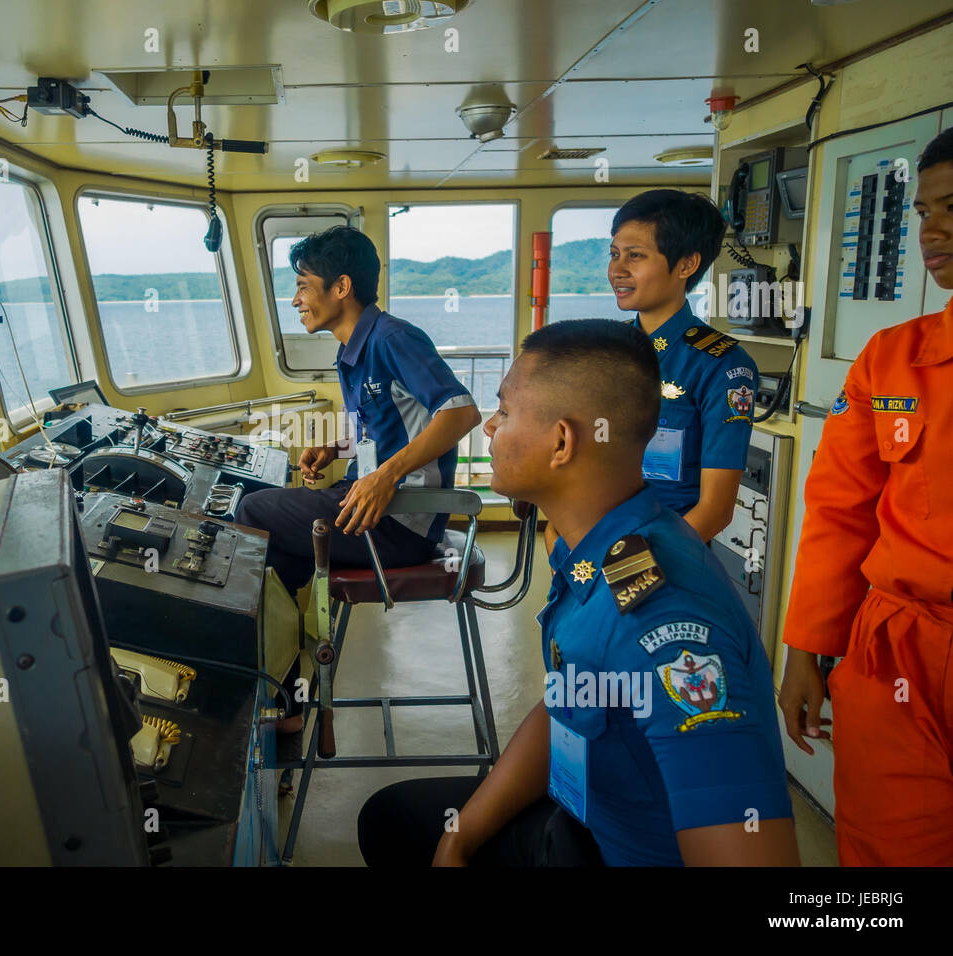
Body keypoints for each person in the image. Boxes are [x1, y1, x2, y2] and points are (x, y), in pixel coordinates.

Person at [358, 319, 798, 867]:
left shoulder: (664, 626)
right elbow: (572, 697)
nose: (491, 428)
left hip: (611, 852)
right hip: (578, 816)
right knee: (393, 819)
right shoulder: (596, 548)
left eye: (506, 412)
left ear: (562, 442)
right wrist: (461, 837)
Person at [779, 128, 953, 866]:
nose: (930, 229)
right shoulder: (893, 361)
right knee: (890, 851)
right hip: (899, 653)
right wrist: (805, 650)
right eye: (921, 212)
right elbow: (840, 509)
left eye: (951, 207)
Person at [234, 225, 481, 728]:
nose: (296, 299)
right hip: (374, 509)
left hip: (402, 526)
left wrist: (386, 477)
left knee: (251, 507)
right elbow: (381, 421)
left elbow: (460, 413)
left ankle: (277, 699)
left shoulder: (393, 339)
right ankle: (286, 704)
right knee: (277, 554)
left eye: (304, 285)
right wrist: (334, 446)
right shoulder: (354, 348)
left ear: (340, 287)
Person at [544, 190, 756, 553]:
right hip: (583, 543)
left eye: (636, 256)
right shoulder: (605, 350)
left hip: (665, 555)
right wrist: (558, 535)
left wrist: (636, 567)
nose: (617, 270)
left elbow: (715, 509)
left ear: (687, 265)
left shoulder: (722, 365)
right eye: (614, 255)